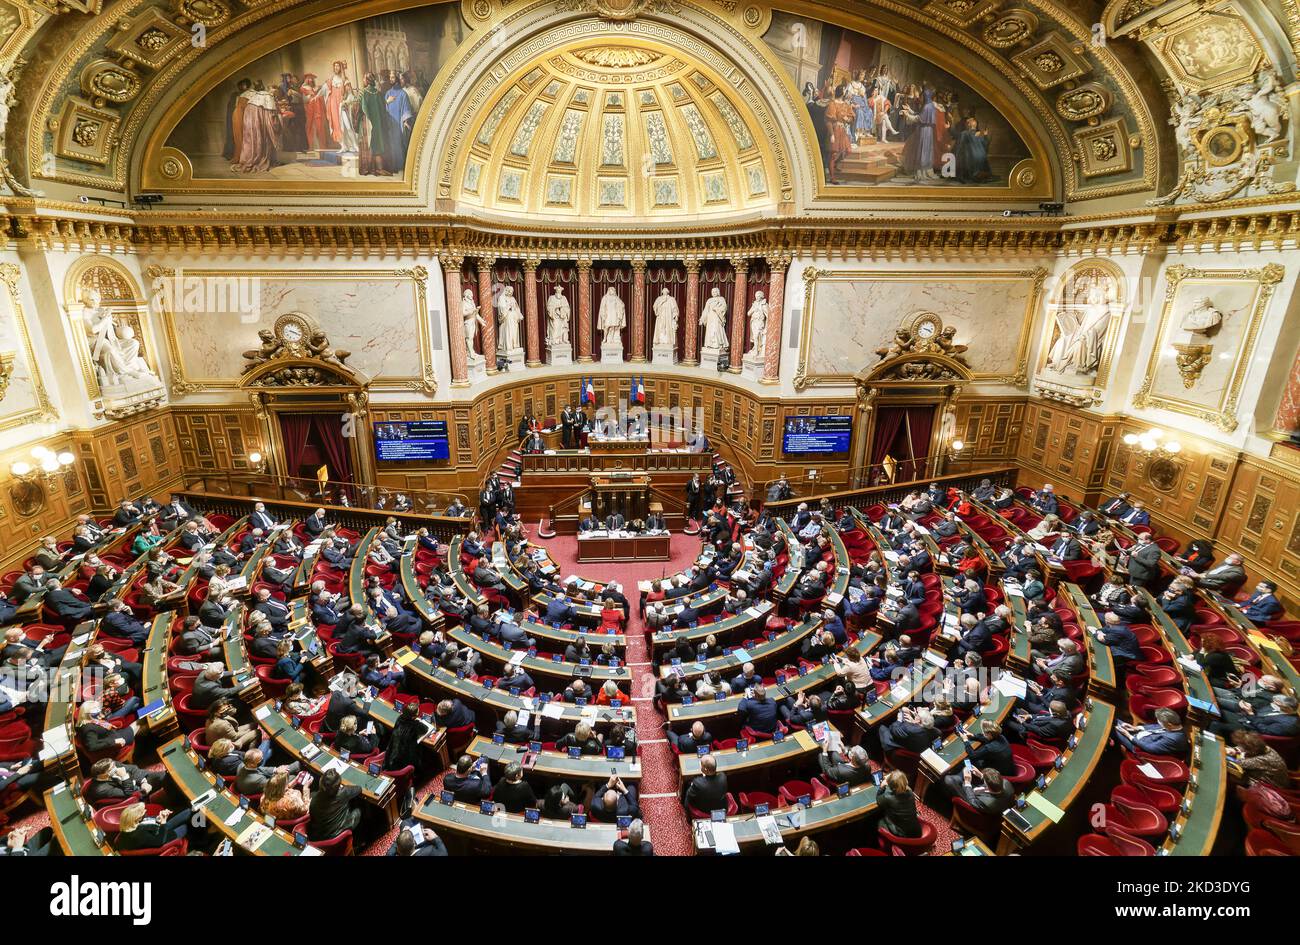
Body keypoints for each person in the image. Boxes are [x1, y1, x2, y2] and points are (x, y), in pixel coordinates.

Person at [308, 768, 363, 841]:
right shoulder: (343, 792)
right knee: (358, 809)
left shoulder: (314, 798)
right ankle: (360, 839)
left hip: (318, 836)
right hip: (338, 835)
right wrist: (343, 788)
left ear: (320, 782)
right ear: (338, 785)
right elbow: (359, 789)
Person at [115, 801, 193, 852]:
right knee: (187, 826)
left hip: (160, 829)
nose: (145, 811)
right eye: (143, 811)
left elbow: (147, 824)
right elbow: (160, 841)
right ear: (136, 818)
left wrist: (158, 819)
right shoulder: (138, 835)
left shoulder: (128, 826)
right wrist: (163, 823)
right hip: (168, 837)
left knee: (189, 811)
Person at [1113, 708, 1188, 755]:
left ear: (1169, 725)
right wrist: (1135, 728)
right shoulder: (1175, 725)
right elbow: (1155, 727)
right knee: (1114, 720)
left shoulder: (1173, 739)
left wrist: (1128, 736)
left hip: (1138, 746)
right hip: (1139, 734)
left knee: (1113, 728)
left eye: (1159, 721)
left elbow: (1150, 748)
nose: (1158, 722)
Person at [875, 769, 921, 839]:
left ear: (890, 786)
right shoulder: (910, 792)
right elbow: (899, 782)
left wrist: (882, 787)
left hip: (902, 835)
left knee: (880, 822)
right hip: (916, 831)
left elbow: (878, 800)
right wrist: (892, 778)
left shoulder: (887, 797)